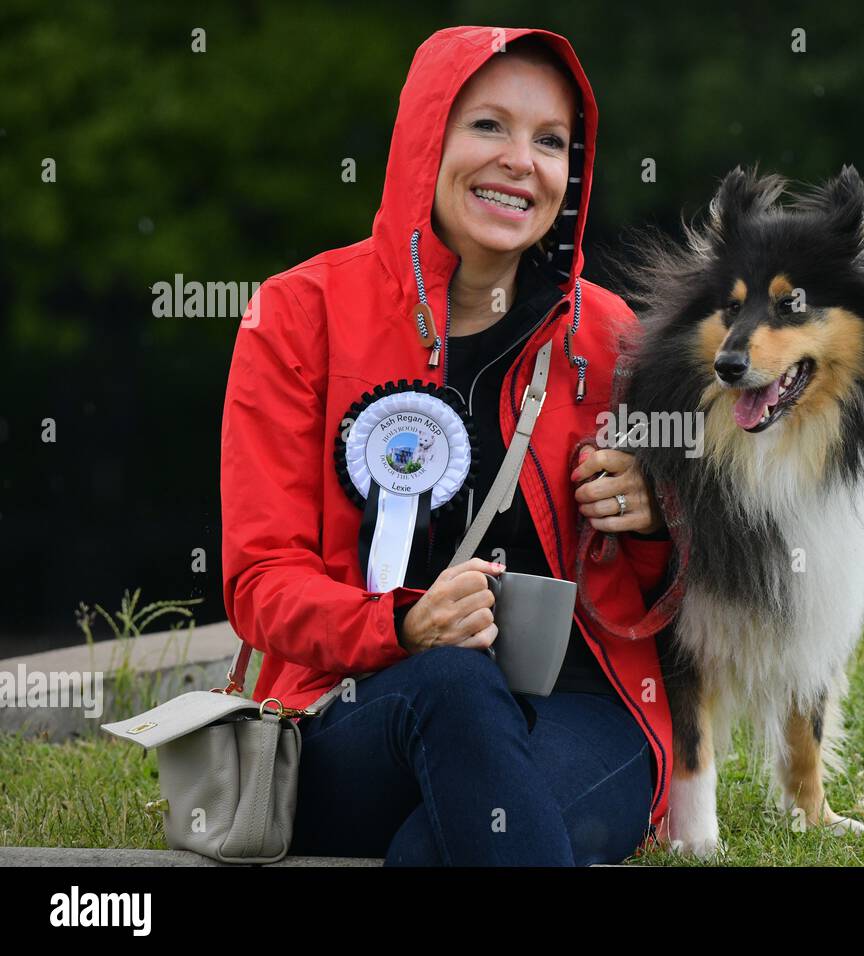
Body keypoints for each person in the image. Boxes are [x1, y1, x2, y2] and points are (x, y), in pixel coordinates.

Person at [219, 26, 677, 866]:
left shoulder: (613, 338)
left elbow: (672, 595)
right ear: (425, 138)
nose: (520, 161)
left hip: (583, 708)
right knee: (457, 686)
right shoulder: (295, 315)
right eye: (488, 126)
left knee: (446, 842)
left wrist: (656, 520)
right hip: (357, 711)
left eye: (551, 142)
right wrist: (404, 623)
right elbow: (261, 584)